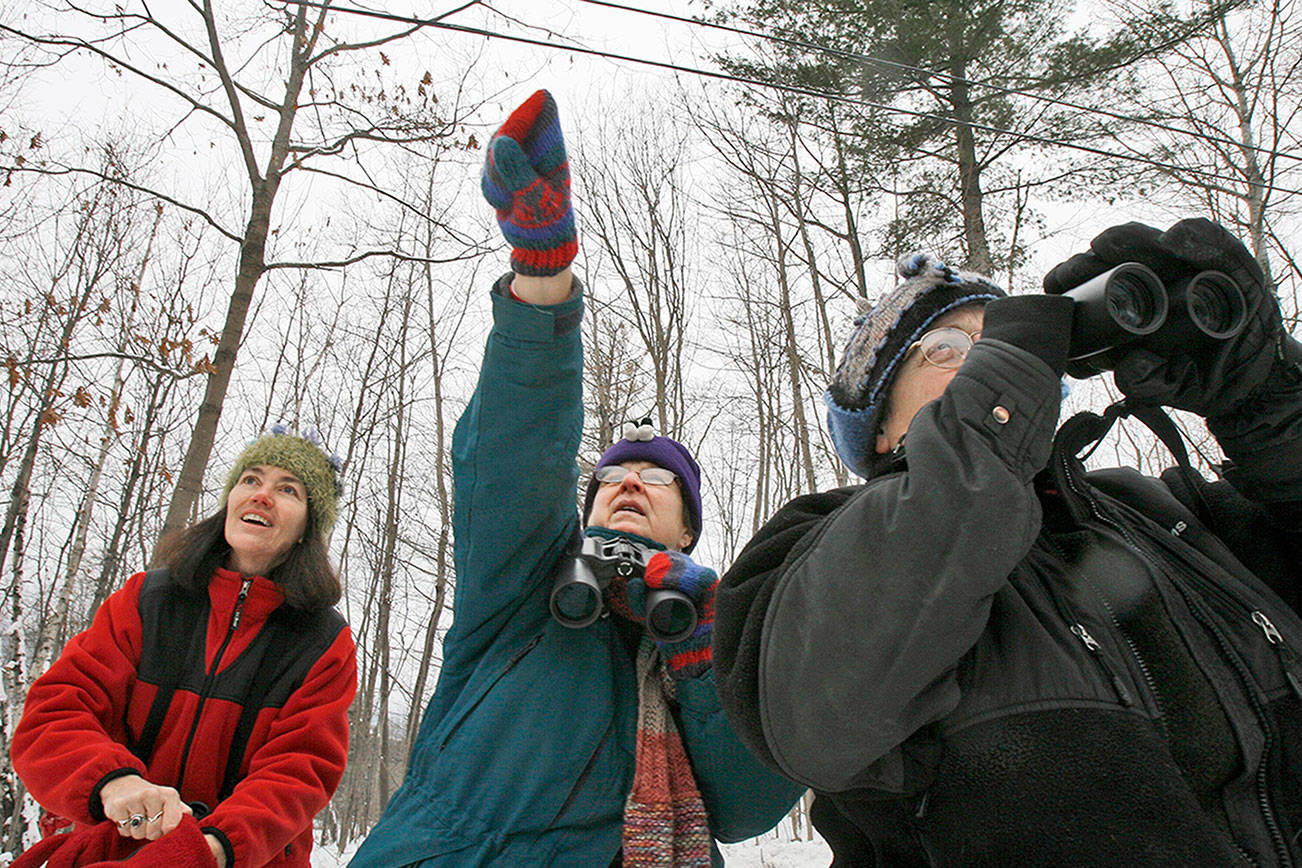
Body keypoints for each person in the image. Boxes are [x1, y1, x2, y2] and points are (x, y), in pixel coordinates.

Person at [712, 221, 1302, 866]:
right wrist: (993, 409)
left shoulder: (1161, 510)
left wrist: (1270, 402)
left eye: (998, 341)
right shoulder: (813, 543)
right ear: (877, 428)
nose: (983, 361)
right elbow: (815, 722)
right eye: (944, 349)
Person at [350, 89, 802, 867]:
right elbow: (512, 463)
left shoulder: (726, 622)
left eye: (654, 479)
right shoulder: (522, 582)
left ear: (689, 527)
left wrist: (700, 652)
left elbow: (748, 809)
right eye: (612, 474)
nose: (628, 481)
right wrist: (543, 274)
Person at [12, 429, 358, 868]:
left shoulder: (324, 644)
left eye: (287, 489)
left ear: (309, 525)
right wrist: (114, 783)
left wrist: (210, 848)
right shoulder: (146, 600)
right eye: (250, 480)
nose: (262, 496)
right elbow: (55, 712)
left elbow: (297, 771)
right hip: (113, 849)